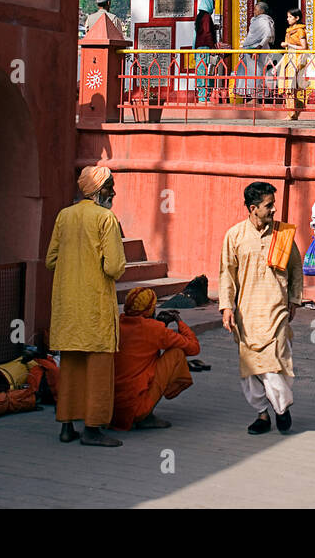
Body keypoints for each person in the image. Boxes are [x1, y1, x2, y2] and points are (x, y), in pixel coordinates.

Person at [46, 164, 128, 447]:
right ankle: (92, 429)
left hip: (68, 307)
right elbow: (115, 267)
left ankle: (67, 426)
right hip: (95, 307)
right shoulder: (106, 219)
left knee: (70, 368)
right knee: (98, 370)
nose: (113, 192)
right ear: (98, 190)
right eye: (110, 186)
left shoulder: (64, 216)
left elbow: (51, 260)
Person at [219, 181, 304, 435]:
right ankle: (263, 414)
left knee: (276, 362)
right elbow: (227, 274)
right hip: (246, 313)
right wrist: (227, 307)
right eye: (269, 205)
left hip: (276, 309)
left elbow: (296, 268)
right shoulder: (234, 235)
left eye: (273, 204)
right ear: (253, 208)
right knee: (251, 368)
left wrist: (294, 299)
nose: (274, 210)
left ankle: (282, 407)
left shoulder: (283, 234)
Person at [111, 287, 202, 430]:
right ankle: (146, 416)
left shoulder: (116, 324)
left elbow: (145, 344)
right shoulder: (153, 329)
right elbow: (193, 348)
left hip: (111, 408)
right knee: (176, 353)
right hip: (135, 407)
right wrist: (179, 321)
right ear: (150, 310)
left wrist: (160, 325)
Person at [235, 2, 276, 101]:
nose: (254, 11)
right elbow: (250, 36)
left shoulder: (265, 21)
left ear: (262, 11)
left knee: (257, 72)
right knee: (248, 73)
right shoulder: (254, 21)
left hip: (258, 51)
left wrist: (259, 47)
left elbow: (268, 35)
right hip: (249, 50)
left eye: (256, 9)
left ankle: (256, 98)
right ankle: (250, 96)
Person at [279, 7, 312, 120]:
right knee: (288, 84)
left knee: (291, 85)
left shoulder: (300, 30)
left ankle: (292, 113)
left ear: (297, 18)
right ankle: (293, 112)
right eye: (287, 17)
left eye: (290, 17)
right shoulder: (289, 30)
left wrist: (289, 45)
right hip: (290, 58)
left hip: (297, 58)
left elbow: (304, 47)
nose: (288, 19)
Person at [194, 0, 219, 104]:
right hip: (206, 49)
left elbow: (202, 32)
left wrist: (214, 28)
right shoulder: (207, 17)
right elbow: (207, 34)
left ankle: (201, 96)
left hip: (199, 49)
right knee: (208, 72)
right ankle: (205, 97)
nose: (213, 8)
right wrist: (213, 47)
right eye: (212, 5)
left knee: (201, 72)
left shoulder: (200, 17)